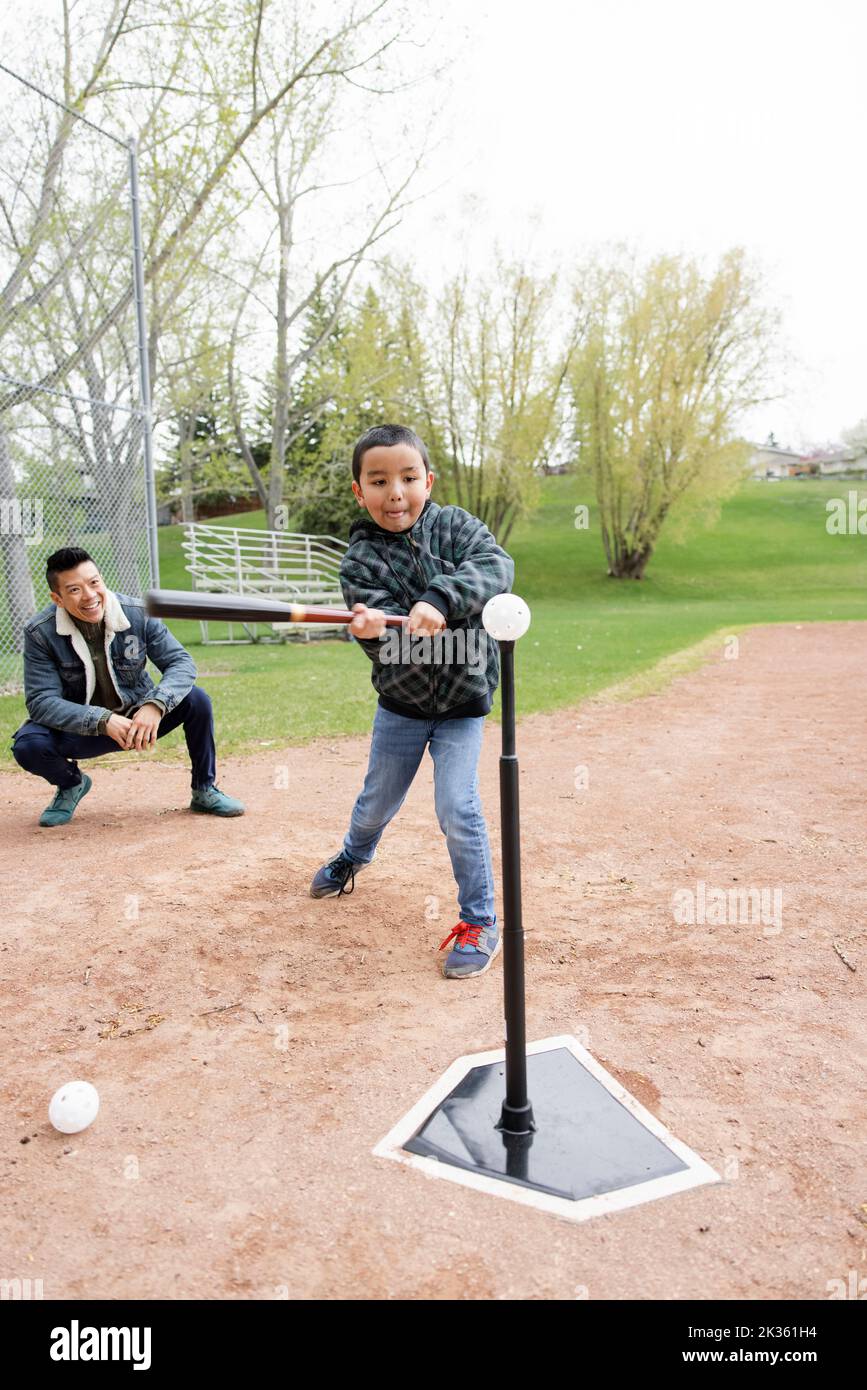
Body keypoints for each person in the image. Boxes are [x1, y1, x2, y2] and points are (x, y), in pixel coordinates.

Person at [309, 423, 514, 979]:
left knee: (457, 807)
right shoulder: (360, 562)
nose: (393, 492)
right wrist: (374, 632)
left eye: (406, 478)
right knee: (376, 802)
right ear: (359, 490)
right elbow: (388, 653)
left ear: (428, 480)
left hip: (462, 706)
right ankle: (355, 854)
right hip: (400, 707)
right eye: (377, 481)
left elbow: (497, 568)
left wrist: (439, 598)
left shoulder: (457, 528)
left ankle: (480, 920)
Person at [11, 547, 244, 826]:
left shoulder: (138, 614)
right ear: (57, 598)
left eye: (94, 582)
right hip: (82, 730)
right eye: (74, 590)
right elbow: (41, 701)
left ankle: (204, 790)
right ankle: (71, 784)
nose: (89, 596)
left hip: (139, 723)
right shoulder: (41, 633)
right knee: (28, 745)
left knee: (197, 700)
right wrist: (102, 720)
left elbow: (180, 663)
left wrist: (155, 705)